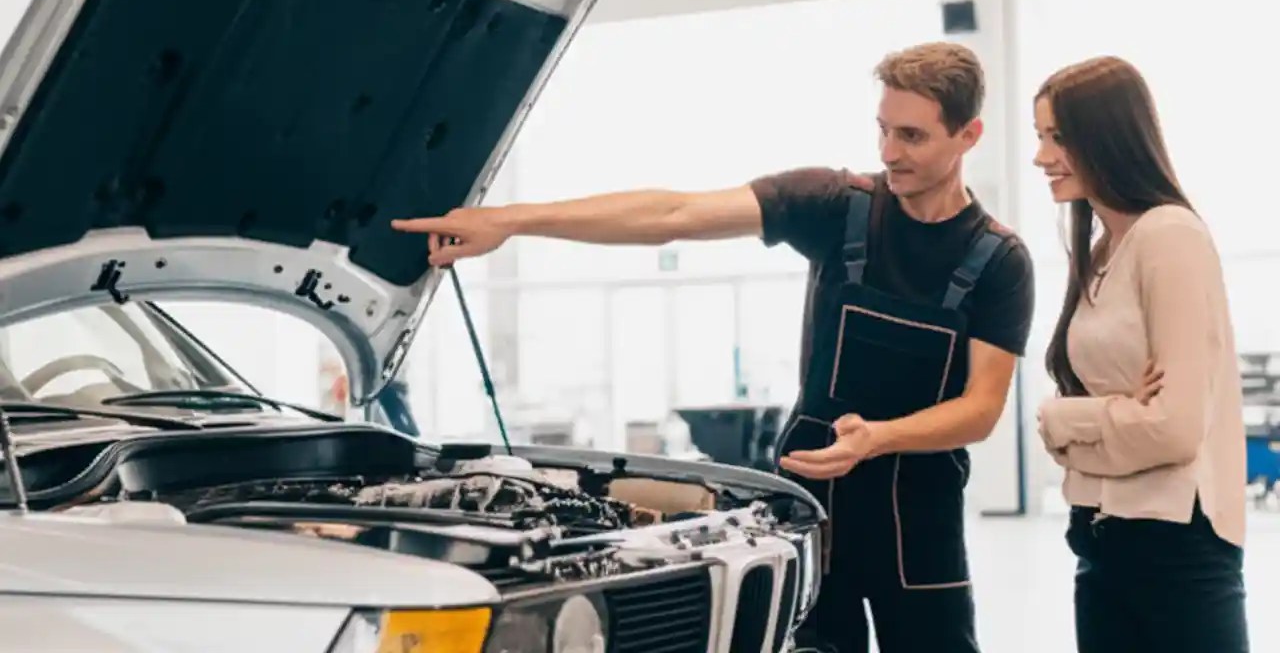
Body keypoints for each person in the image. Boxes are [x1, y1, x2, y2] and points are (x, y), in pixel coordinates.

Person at [391, 41, 1035, 653]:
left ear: (968, 135)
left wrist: (879, 437)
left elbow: (980, 408)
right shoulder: (837, 206)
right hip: (813, 497)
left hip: (920, 514)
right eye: (883, 129)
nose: (889, 152)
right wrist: (510, 221)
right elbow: (674, 214)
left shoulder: (997, 259)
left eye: (913, 136)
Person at [1031, 55, 1249, 653]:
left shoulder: (1168, 236)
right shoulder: (1101, 250)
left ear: (1107, 137)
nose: (1041, 156)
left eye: (1058, 137)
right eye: (1040, 137)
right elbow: (1130, 426)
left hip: (1175, 545)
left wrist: (1064, 419)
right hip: (1101, 542)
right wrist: (1117, 414)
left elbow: (1175, 431)